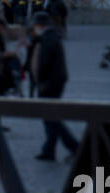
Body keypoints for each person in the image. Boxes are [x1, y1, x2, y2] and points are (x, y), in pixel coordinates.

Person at [31, 12, 79, 162]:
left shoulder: (48, 38)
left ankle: (74, 147)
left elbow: (44, 63)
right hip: (55, 81)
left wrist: (41, 82)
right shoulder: (51, 36)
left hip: (50, 83)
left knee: (50, 117)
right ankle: (49, 150)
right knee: (49, 117)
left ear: (39, 25)